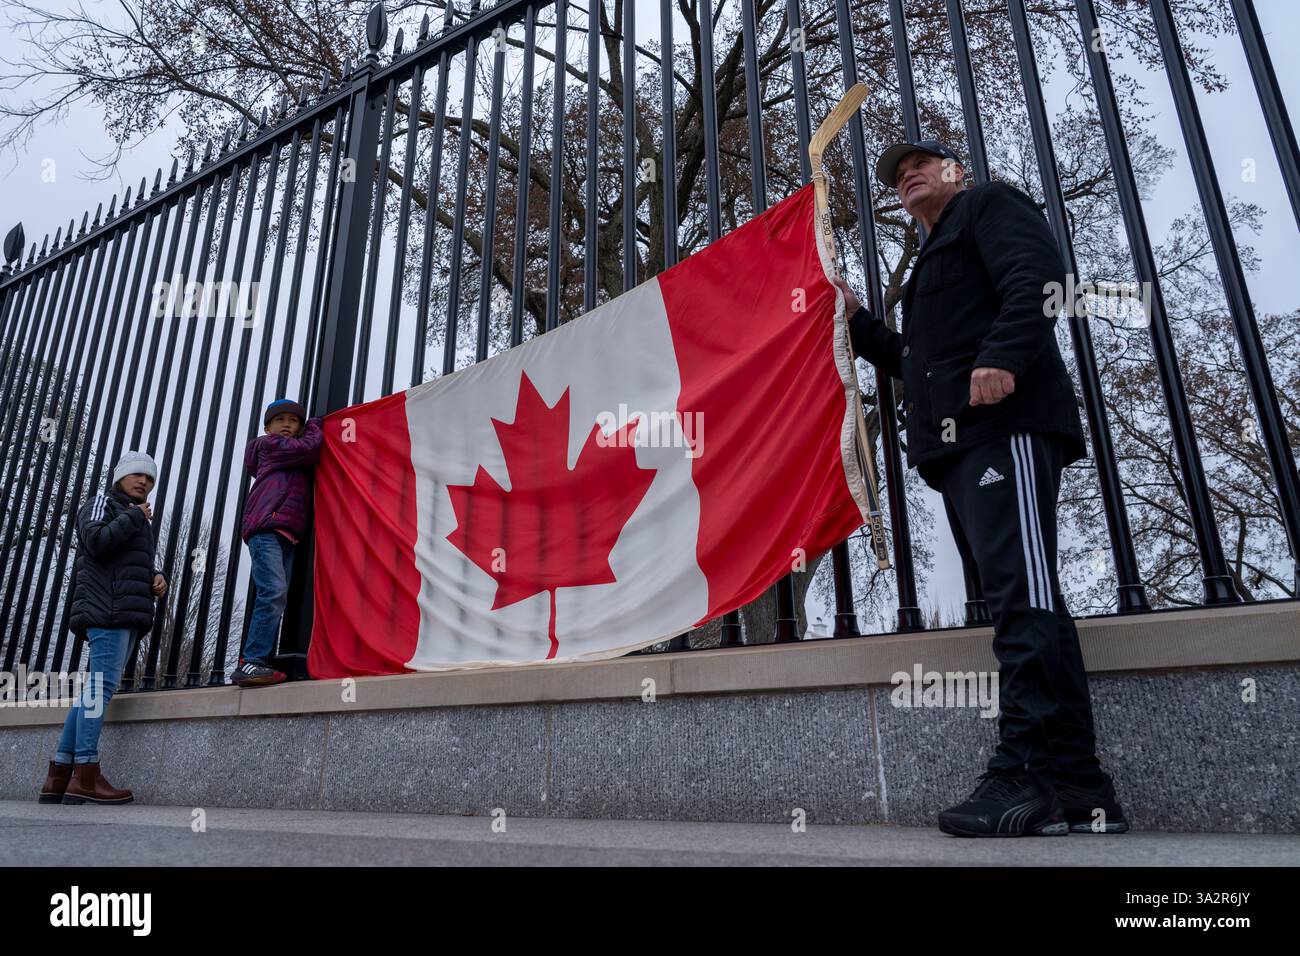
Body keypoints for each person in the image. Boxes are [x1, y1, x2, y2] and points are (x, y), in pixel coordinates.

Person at [835, 139, 1127, 837]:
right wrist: (856, 320)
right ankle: (1082, 791)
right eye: (896, 175)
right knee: (1022, 602)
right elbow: (918, 360)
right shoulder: (935, 259)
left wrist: (1000, 357)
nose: (906, 175)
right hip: (958, 443)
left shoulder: (988, 206)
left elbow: (1041, 277)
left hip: (1007, 425)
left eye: (921, 165)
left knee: (1022, 600)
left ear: (955, 172)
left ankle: (1023, 771)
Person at [39, 451, 168, 805]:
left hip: (126, 612)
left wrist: (156, 576)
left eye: (150, 478)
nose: (144, 482)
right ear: (120, 477)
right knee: (100, 688)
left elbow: (126, 562)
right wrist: (133, 517)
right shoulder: (102, 503)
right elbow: (95, 541)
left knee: (92, 691)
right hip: (105, 611)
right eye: (137, 475)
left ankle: (59, 776)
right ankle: (87, 771)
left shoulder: (135, 517)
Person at [234, 399, 323, 687]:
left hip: (288, 533)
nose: (287, 424)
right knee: (272, 592)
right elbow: (309, 448)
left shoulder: (292, 459)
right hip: (267, 530)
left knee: (276, 595)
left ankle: (261, 659)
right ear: (267, 427)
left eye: (294, 420)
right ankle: (251, 662)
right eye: (280, 419)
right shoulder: (268, 447)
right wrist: (314, 426)